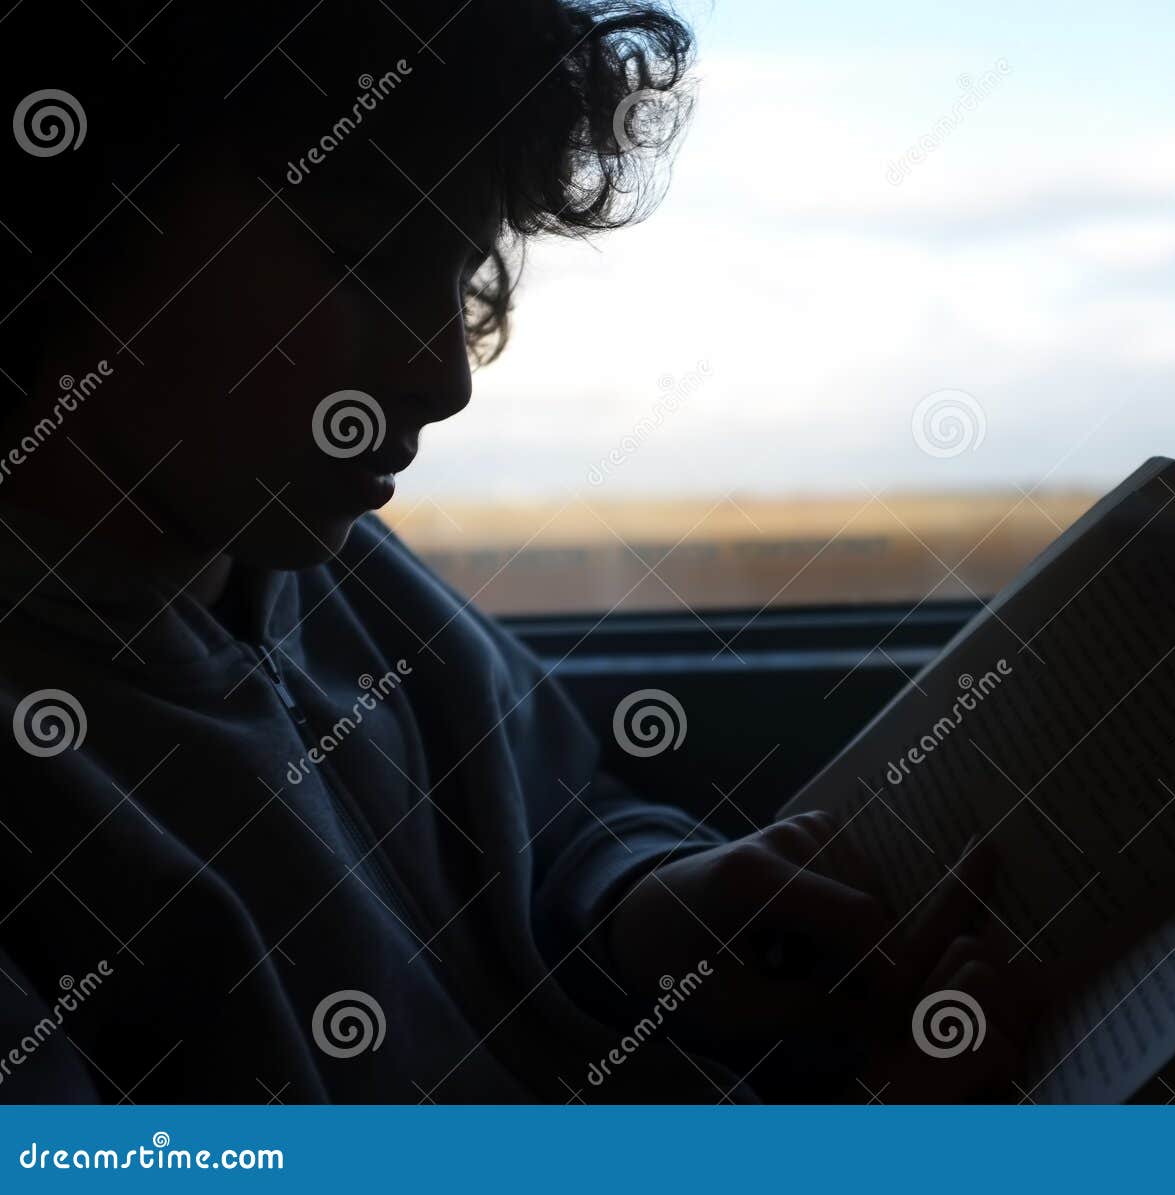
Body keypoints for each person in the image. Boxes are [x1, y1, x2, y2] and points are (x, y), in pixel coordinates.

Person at [0, 1, 1032, 1102]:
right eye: (366, 257)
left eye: (458, 273)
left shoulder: (339, 575)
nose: (443, 380)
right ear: (73, 224)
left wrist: (633, 921)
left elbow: (558, 819)